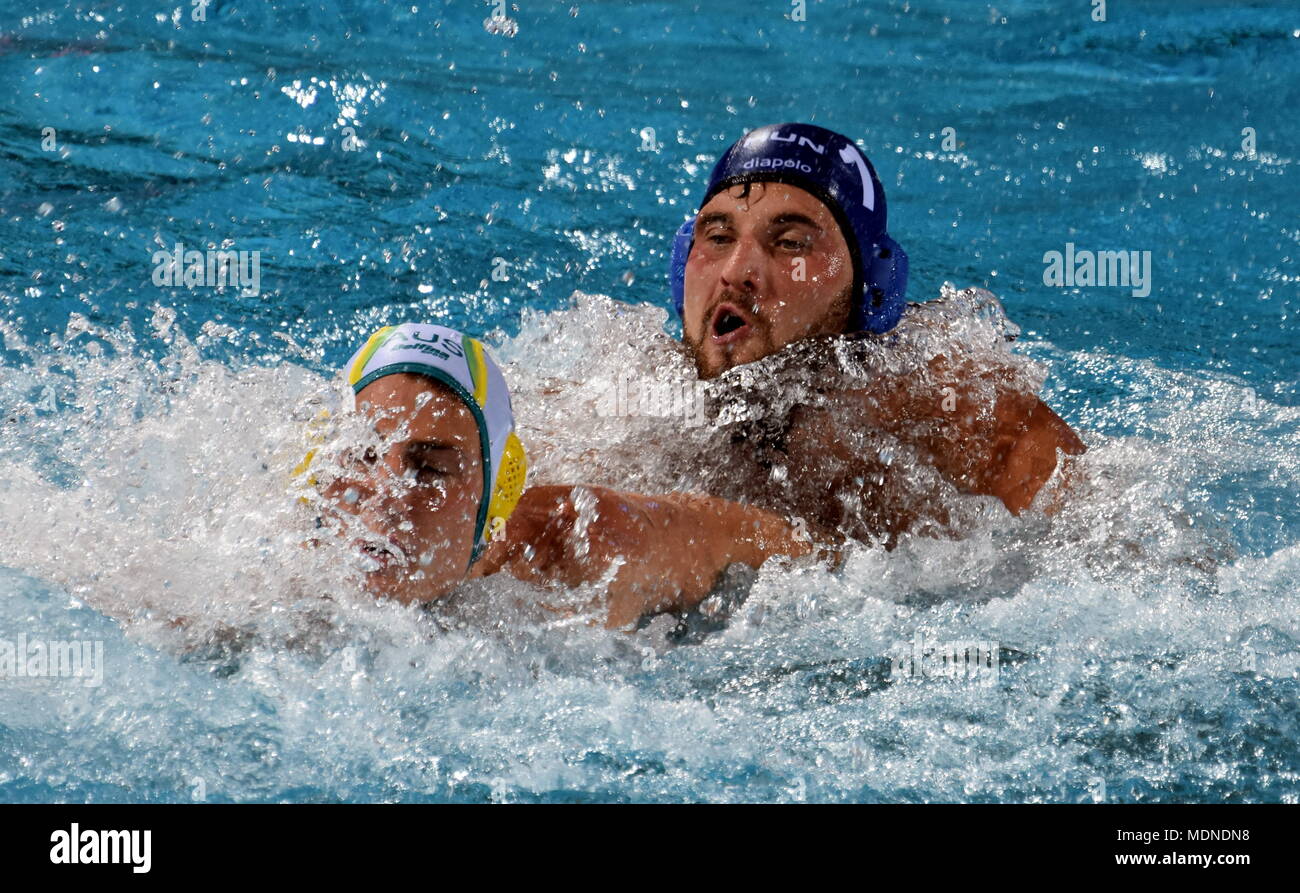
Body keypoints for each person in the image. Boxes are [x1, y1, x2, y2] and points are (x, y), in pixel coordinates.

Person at [663, 122, 1086, 541]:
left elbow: (1110, 536)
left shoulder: (948, 410)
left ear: (871, 289)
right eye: (718, 237)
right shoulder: (633, 396)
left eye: (791, 243)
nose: (737, 273)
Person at [305, 323, 819, 627]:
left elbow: (796, 548)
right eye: (365, 456)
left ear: (495, 496)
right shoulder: (275, 568)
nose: (388, 495)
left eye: (431, 467)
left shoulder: (592, 546)